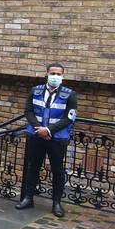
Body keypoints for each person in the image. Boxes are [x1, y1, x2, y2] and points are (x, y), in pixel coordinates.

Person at [15, 63, 77, 218]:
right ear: (47, 74)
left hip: (57, 139)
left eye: (58, 74)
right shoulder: (35, 90)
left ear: (63, 76)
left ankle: (56, 203)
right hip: (37, 136)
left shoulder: (70, 94)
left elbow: (69, 118)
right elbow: (28, 111)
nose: (55, 76)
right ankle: (28, 198)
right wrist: (39, 129)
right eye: (52, 73)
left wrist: (49, 130)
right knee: (33, 167)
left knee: (57, 170)